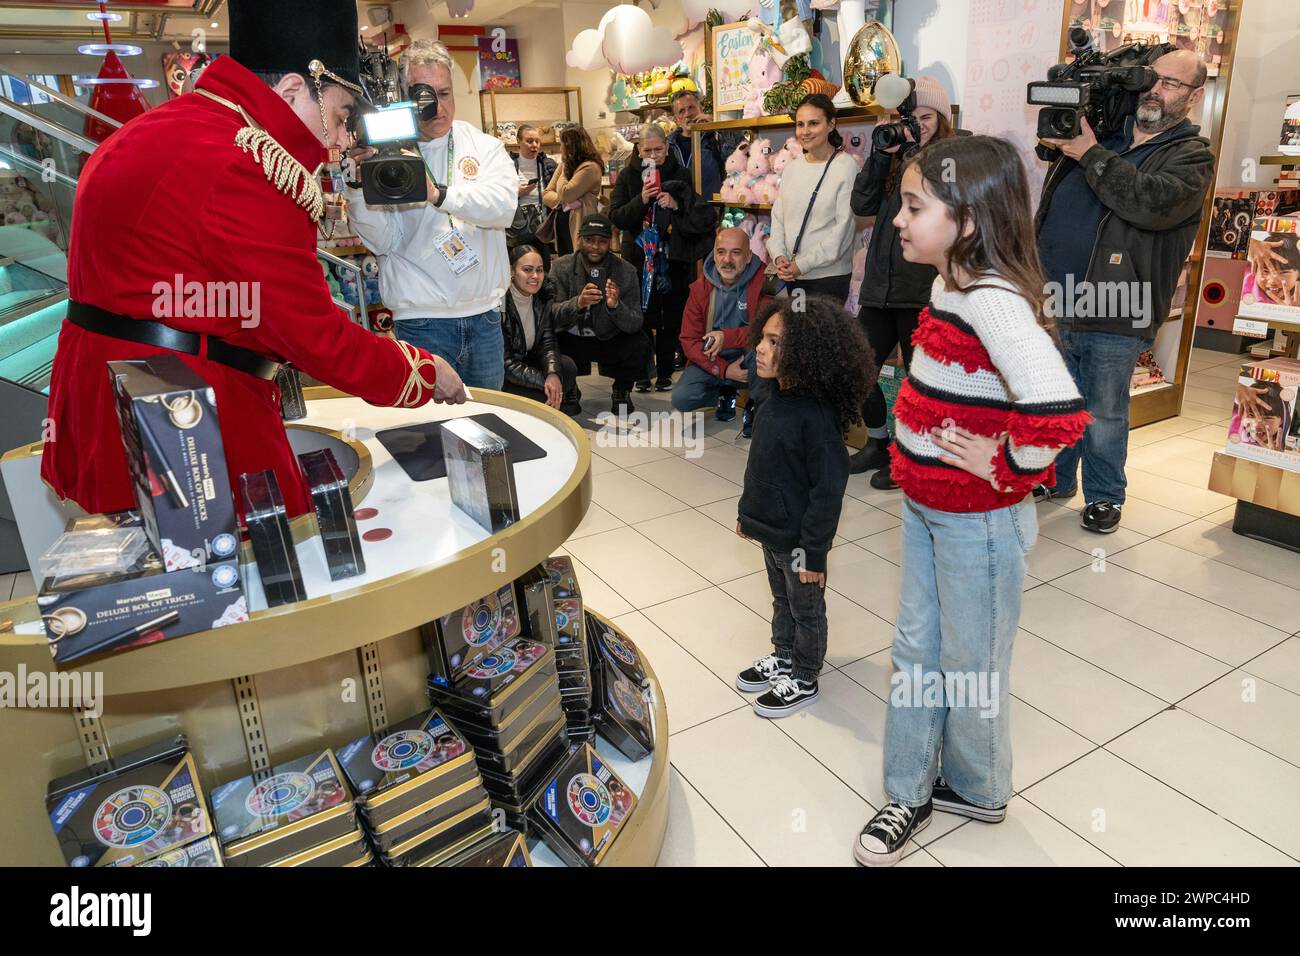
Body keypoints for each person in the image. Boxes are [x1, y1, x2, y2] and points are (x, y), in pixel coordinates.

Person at [40, 0, 462, 522]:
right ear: (290, 90)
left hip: (115, 400)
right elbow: (314, 337)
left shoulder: (164, 127)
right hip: (182, 424)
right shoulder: (247, 164)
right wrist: (420, 371)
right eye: (337, 116)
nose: (336, 140)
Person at [853, 136, 1090, 867]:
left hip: (979, 519)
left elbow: (1055, 405)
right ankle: (909, 787)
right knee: (917, 648)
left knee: (972, 658)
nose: (899, 218)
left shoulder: (992, 300)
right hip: (927, 506)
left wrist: (1007, 463)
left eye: (916, 206)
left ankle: (979, 786)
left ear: (968, 220)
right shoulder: (948, 286)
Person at [1035, 49, 1214, 533]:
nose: (1156, 89)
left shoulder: (1190, 156)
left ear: (1195, 96)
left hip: (1120, 304)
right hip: (1059, 295)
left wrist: (1089, 154)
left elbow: (1148, 203)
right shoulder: (1103, 137)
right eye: (1152, 79)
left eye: (1171, 84)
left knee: (1104, 410)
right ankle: (1056, 478)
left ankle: (1105, 496)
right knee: (1060, 402)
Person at [345, 38, 517, 391]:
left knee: (487, 423)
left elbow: (503, 208)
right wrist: (358, 189)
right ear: (402, 95)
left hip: (484, 317)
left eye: (444, 93)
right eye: (423, 95)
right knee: (429, 432)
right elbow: (381, 240)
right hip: (421, 320)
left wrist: (439, 194)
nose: (436, 107)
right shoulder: (386, 156)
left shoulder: (484, 146)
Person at [733, 296, 873, 718]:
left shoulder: (817, 420)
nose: (760, 347)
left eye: (775, 342)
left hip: (799, 542)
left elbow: (828, 492)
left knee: (805, 608)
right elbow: (761, 467)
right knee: (781, 600)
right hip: (770, 530)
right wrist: (747, 514)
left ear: (806, 355)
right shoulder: (772, 397)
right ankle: (783, 654)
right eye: (763, 337)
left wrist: (814, 552)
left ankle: (806, 674)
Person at [848, 75, 957, 487]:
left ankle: (915, 457)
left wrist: (914, 155)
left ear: (942, 118)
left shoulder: (951, 159)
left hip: (923, 292)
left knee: (922, 385)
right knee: (858, 368)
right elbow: (862, 204)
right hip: (880, 288)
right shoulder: (894, 156)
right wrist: (881, 156)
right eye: (911, 117)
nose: (918, 124)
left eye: (927, 116)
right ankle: (879, 443)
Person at [609, 122, 717, 393]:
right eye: (648, 150)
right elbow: (617, 217)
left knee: (672, 315)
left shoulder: (680, 173)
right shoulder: (626, 176)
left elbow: (698, 214)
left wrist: (677, 204)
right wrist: (642, 200)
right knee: (640, 316)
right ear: (638, 148)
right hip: (636, 258)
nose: (654, 156)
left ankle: (666, 371)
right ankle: (643, 372)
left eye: (659, 149)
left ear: (667, 148)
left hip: (673, 258)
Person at [545, 213, 649, 413]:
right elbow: (549, 315)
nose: (595, 246)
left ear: (610, 242)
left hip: (608, 338)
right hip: (571, 339)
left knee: (641, 343)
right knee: (547, 340)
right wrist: (577, 303)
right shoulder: (561, 267)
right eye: (589, 240)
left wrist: (616, 306)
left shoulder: (626, 271)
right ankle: (569, 387)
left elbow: (636, 321)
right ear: (579, 239)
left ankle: (621, 389)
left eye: (602, 241)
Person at [673, 226, 771, 435]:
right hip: (714, 357)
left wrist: (726, 337)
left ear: (748, 256)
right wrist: (724, 369)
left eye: (736, 253)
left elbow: (766, 333)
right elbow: (689, 339)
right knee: (682, 397)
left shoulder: (764, 283)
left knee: (764, 354)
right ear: (714, 255)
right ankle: (725, 392)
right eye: (721, 252)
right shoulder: (700, 288)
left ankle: (756, 406)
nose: (727, 259)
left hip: (749, 352)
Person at [768, 93, 860, 302]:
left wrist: (802, 265)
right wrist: (779, 256)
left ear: (831, 124)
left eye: (814, 123)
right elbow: (778, 219)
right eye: (800, 124)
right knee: (795, 333)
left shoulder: (846, 167)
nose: (805, 131)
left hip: (828, 279)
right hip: (791, 276)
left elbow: (842, 231)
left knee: (822, 334)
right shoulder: (791, 168)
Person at [502, 243, 580, 415]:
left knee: (566, 367)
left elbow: (548, 342)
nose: (535, 276)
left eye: (539, 270)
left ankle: (556, 396)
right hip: (506, 374)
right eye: (527, 270)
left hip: (527, 362)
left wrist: (552, 374)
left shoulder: (543, 297)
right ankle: (558, 396)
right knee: (540, 396)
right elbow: (506, 364)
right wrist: (545, 382)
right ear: (512, 272)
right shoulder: (500, 303)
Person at [543, 127, 606, 254]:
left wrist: (565, 171)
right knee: (565, 265)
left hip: (580, 226)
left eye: (562, 145)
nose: (560, 149)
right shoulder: (565, 164)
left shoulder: (590, 167)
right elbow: (546, 194)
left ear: (571, 146)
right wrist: (567, 203)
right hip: (562, 225)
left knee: (579, 264)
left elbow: (566, 193)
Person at [668, 88, 727, 200]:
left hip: (712, 210)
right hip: (679, 213)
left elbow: (739, 150)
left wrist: (716, 126)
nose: (688, 114)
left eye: (691, 108)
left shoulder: (715, 138)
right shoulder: (668, 146)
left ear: (701, 109)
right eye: (681, 111)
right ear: (676, 120)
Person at [508, 124, 556, 258]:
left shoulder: (547, 165)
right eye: (529, 141)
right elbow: (496, 195)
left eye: (537, 141)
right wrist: (516, 193)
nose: (534, 145)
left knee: (543, 266)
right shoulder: (507, 165)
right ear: (518, 141)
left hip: (541, 227)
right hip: (516, 228)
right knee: (518, 266)